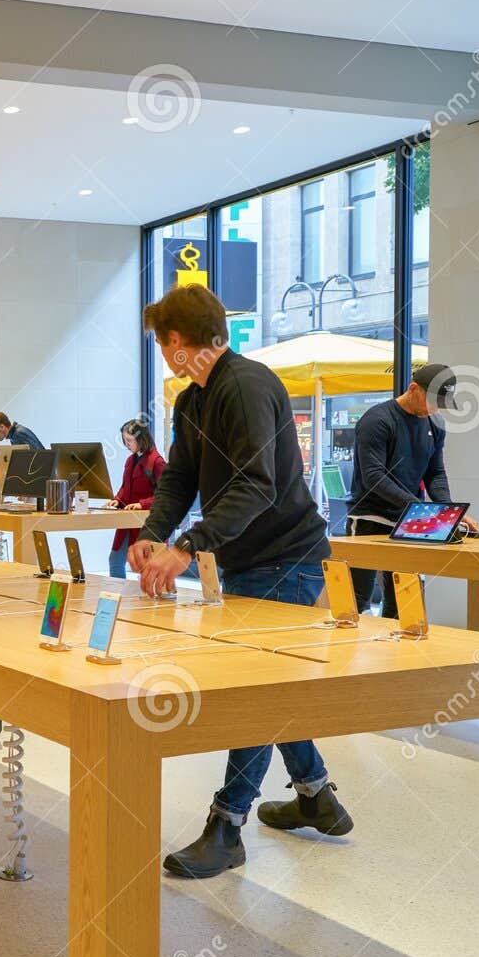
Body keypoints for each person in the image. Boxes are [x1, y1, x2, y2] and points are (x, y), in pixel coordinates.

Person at [129, 285, 350, 879]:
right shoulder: (192, 401)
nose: (162, 353)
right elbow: (178, 479)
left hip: (289, 560)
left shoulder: (246, 385)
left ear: (175, 341)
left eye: (160, 342)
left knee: (253, 691)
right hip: (250, 562)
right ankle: (315, 795)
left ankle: (227, 827)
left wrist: (187, 547)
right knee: (271, 686)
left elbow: (258, 486)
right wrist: (152, 533)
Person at [345, 363, 471, 617]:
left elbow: (435, 472)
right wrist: (421, 509)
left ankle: (398, 655)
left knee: (406, 603)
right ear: (414, 389)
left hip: (409, 520)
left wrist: (446, 510)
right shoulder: (377, 420)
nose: (435, 409)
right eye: (432, 401)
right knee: (356, 603)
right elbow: (374, 477)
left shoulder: (435, 424)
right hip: (370, 518)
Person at [107, 418, 165, 579]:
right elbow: (125, 487)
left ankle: (144, 600)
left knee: (145, 566)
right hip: (127, 522)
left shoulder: (157, 462)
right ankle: (117, 595)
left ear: (141, 438)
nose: (126, 444)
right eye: (124, 440)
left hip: (146, 523)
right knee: (115, 560)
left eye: (129, 440)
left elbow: (165, 495)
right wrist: (117, 499)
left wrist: (142, 504)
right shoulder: (130, 460)